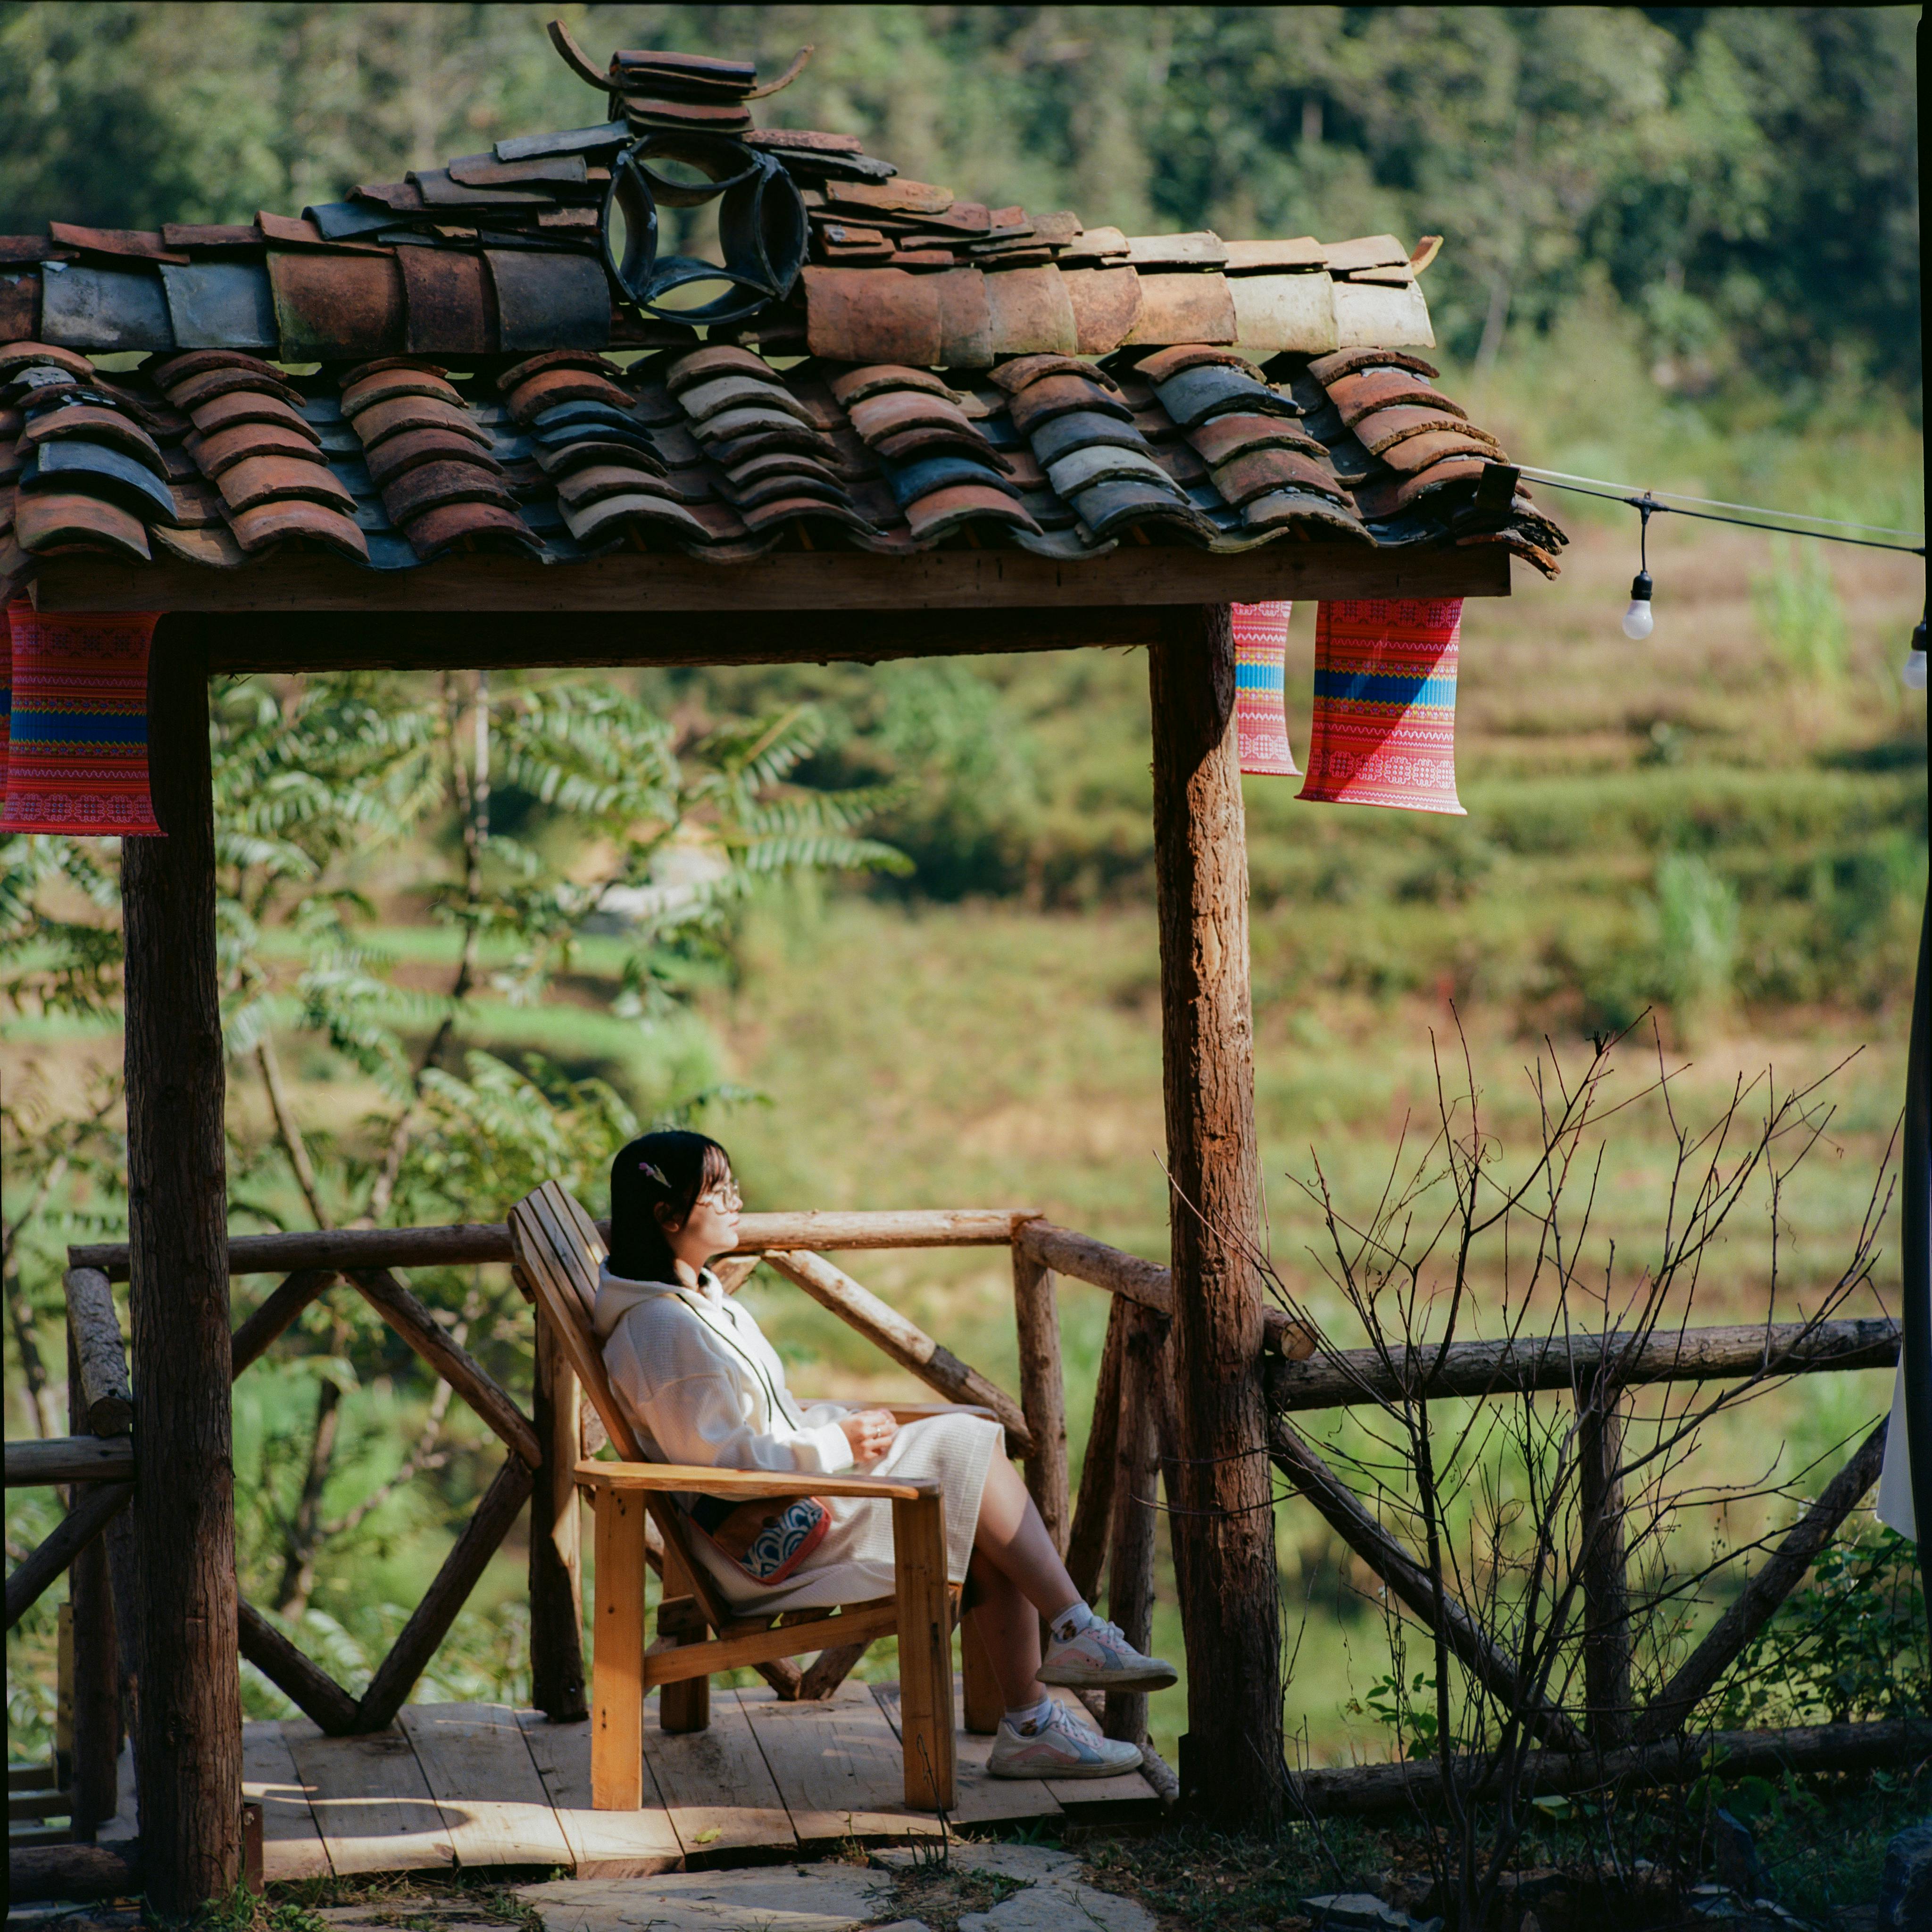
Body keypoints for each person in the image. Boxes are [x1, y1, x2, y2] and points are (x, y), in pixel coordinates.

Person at [595, 1129, 1176, 1780]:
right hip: (768, 1547)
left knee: (971, 1440)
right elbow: (725, 1471)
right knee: (967, 1452)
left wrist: (837, 1429)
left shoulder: (694, 1299)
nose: (737, 1200)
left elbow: (759, 1421)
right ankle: (1064, 1653)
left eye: (733, 1184)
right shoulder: (664, 1333)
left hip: (793, 1505)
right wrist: (837, 1444)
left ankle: (1042, 1704)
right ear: (667, 1217)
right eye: (716, 1191)